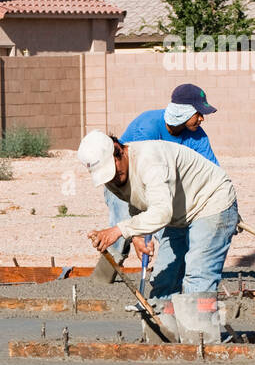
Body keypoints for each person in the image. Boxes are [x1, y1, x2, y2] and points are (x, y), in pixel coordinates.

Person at [79, 131, 239, 333]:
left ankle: (200, 344)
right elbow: (136, 200)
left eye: (113, 172)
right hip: (178, 213)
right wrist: (137, 236)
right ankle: (166, 341)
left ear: (118, 151)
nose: (112, 179)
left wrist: (121, 230)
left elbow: (162, 212)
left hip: (210, 203)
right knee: (164, 280)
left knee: (198, 275)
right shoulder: (114, 178)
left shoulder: (150, 160)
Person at [95, 83, 220, 282]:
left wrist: (223, 207)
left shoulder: (197, 135)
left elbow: (213, 171)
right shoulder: (148, 125)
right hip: (122, 183)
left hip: (162, 188)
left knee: (167, 230)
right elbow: (137, 180)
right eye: (198, 113)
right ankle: (102, 281)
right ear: (183, 113)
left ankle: (166, 280)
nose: (202, 118)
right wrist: (137, 235)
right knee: (121, 232)